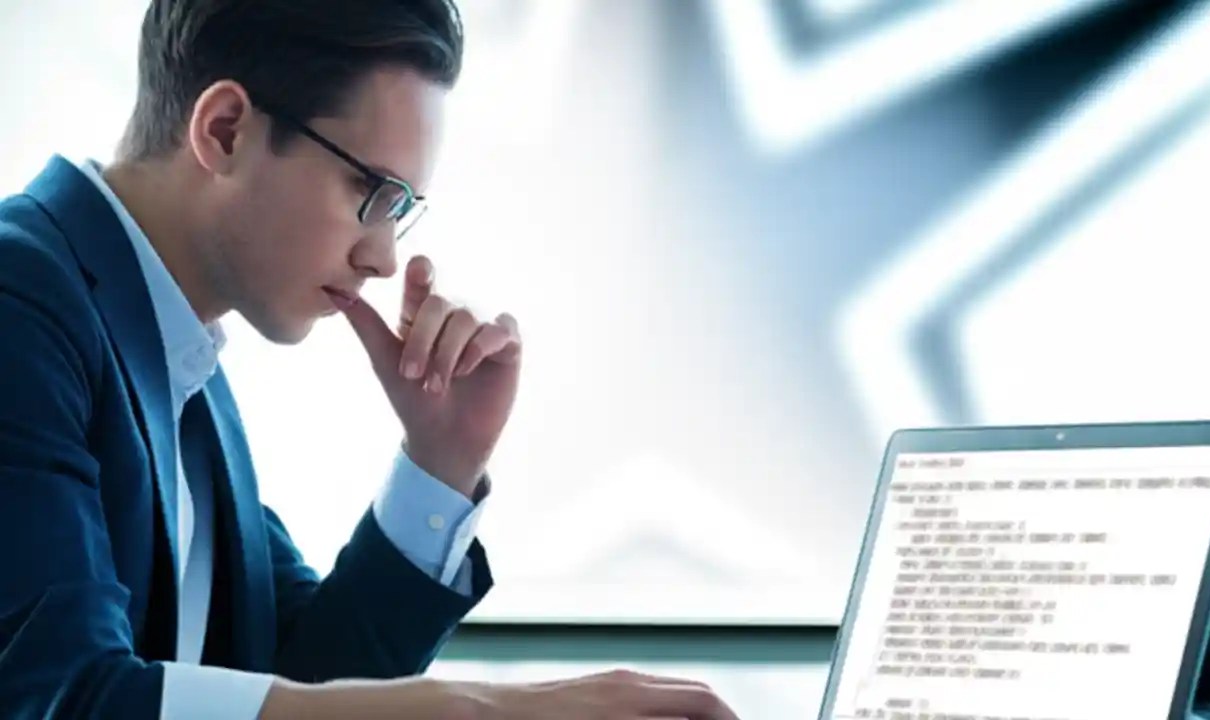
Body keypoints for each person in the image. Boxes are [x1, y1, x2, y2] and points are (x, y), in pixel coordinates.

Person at [0, 1, 742, 718]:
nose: (385, 258)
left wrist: (439, 463)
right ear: (224, 131)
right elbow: (61, 698)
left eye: (401, 208)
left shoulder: (183, 374)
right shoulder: (20, 300)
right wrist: (485, 711)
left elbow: (304, 681)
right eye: (371, 191)